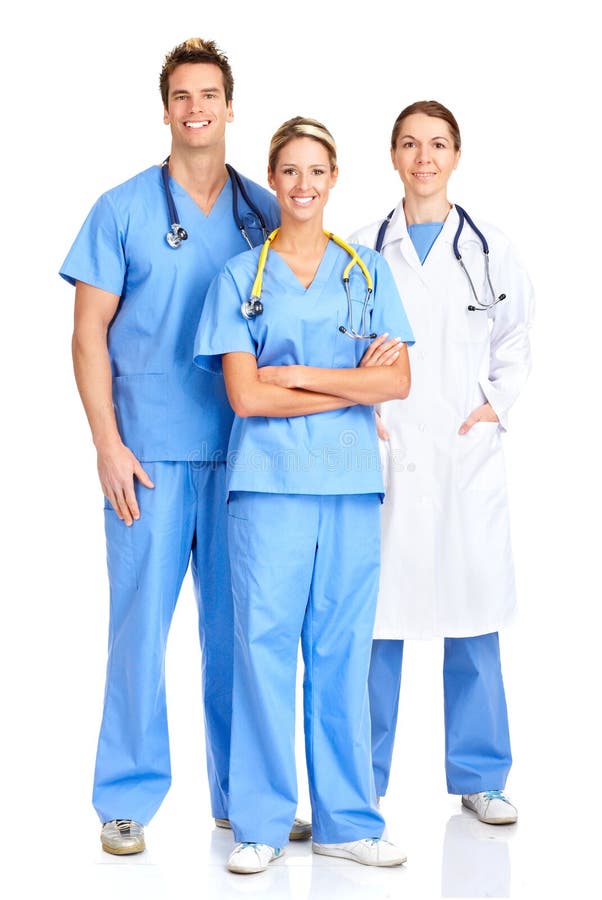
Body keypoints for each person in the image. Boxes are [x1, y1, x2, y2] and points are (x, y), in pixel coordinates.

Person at [59, 38, 284, 855]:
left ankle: (243, 802)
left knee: (242, 637)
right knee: (138, 633)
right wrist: (107, 445)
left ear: (230, 107)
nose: (196, 108)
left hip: (244, 458)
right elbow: (87, 336)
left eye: (209, 95)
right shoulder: (121, 210)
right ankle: (125, 798)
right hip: (147, 459)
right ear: (166, 110)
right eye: (182, 96)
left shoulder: (264, 212)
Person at [193, 116, 414, 874]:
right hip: (268, 487)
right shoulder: (240, 278)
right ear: (273, 178)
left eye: (316, 170)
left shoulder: (366, 272)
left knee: (342, 652)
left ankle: (347, 821)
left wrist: (299, 375)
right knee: (261, 649)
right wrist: (348, 387)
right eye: (289, 170)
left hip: (350, 486)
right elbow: (246, 399)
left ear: (334, 178)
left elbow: (397, 381)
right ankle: (259, 823)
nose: (303, 184)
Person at [349, 100, 534, 826]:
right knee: (375, 626)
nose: (423, 157)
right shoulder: (362, 249)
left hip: (463, 456)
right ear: (393, 156)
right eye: (409, 144)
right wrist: (363, 410)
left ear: (456, 156)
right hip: (389, 453)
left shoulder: (491, 250)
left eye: (437, 144)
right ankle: (360, 782)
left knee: (473, 615)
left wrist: (493, 404)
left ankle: (482, 777)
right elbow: (340, 340)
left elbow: (515, 338)